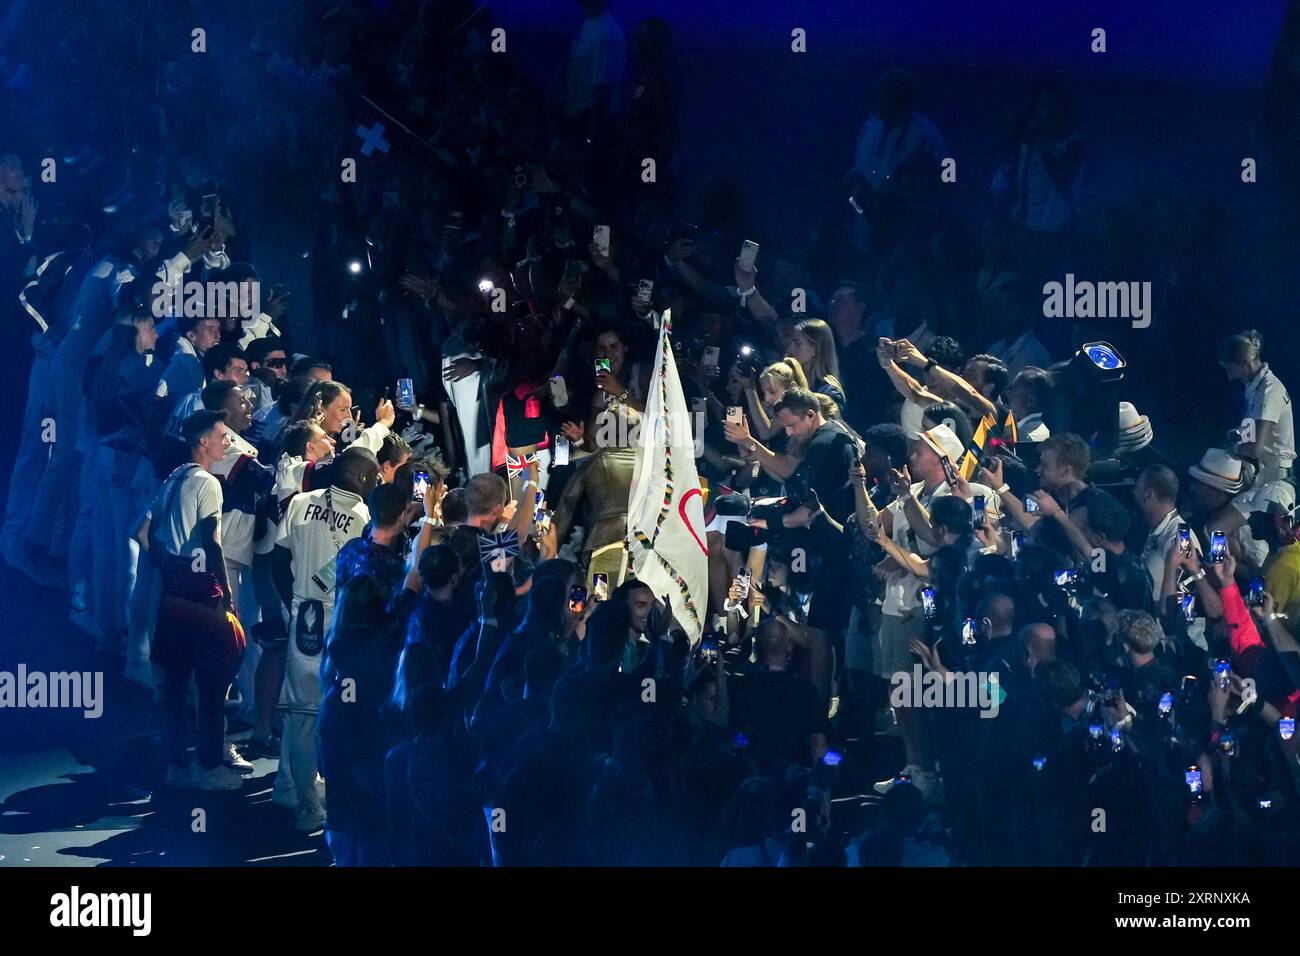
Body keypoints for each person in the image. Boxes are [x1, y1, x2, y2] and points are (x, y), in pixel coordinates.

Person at [270, 445, 380, 831]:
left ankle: (297, 794)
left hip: (305, 617)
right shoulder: (364, 516)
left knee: (301, 713)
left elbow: (277, 560)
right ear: (363, 479)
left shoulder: (300, 503)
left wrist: (293, 603)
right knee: (340, 714)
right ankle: (322, 802)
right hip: (343, 621)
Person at [138, 410, 248, 791]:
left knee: (175, 683)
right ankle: (209, 767)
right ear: (204, 442)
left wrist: (168, 566)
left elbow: (143, 533)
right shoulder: (208, 483)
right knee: (212, 682)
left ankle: (178, 767)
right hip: (200, 591)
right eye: (222, 436)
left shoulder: (172, 479)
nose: (228, 442)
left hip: (172, 588)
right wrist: (226, 595)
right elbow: (211, 543)